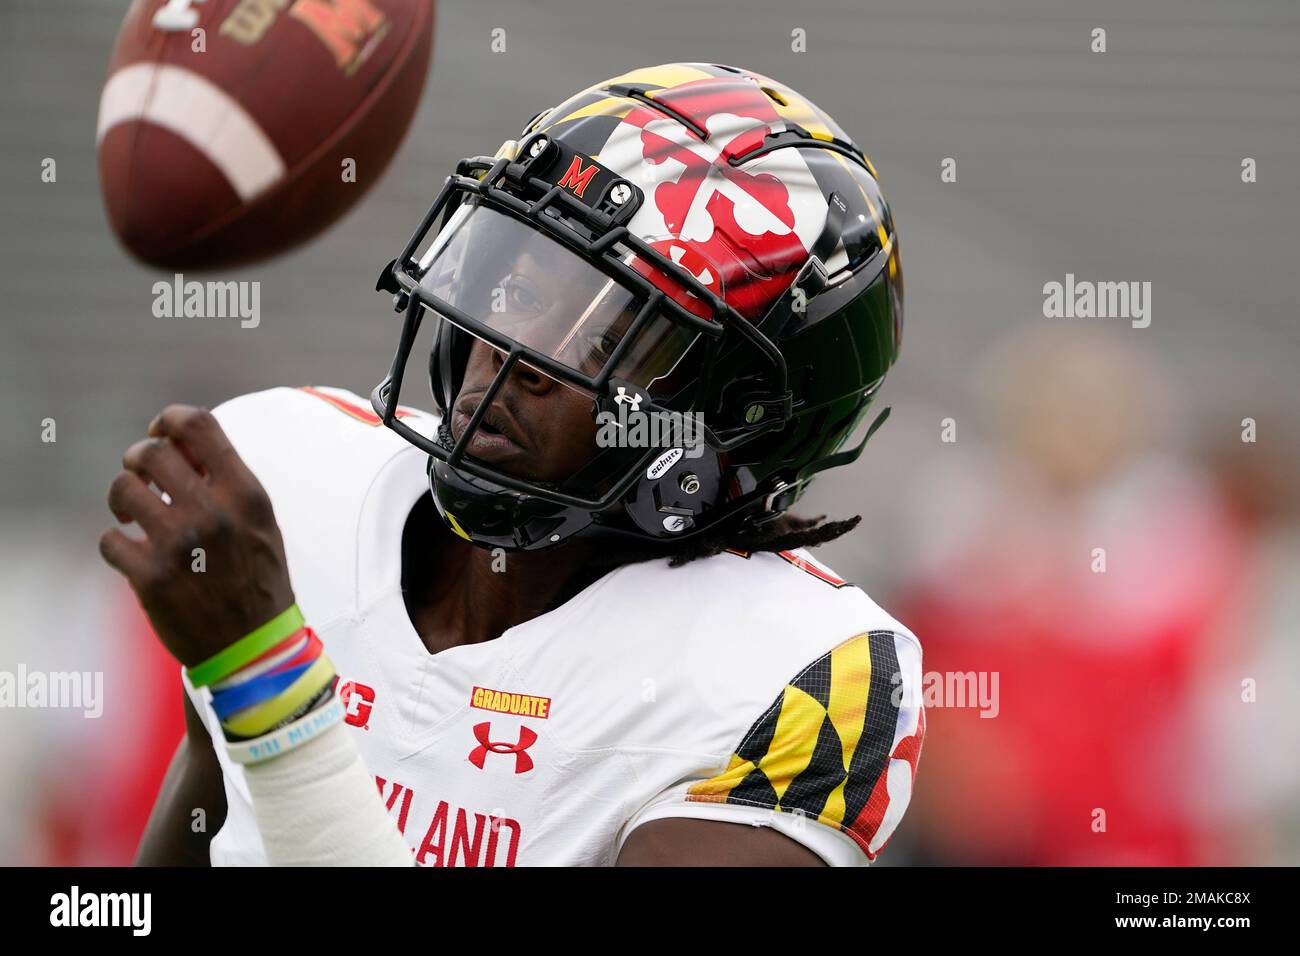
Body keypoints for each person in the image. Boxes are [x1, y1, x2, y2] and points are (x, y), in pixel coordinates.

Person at [101, 63, 923, 867]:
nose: (510, 350)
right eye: (523, 293)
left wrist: (269, 686)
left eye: (609, 337)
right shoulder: (294, 475)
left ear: (737, 423)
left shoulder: (800, 673)